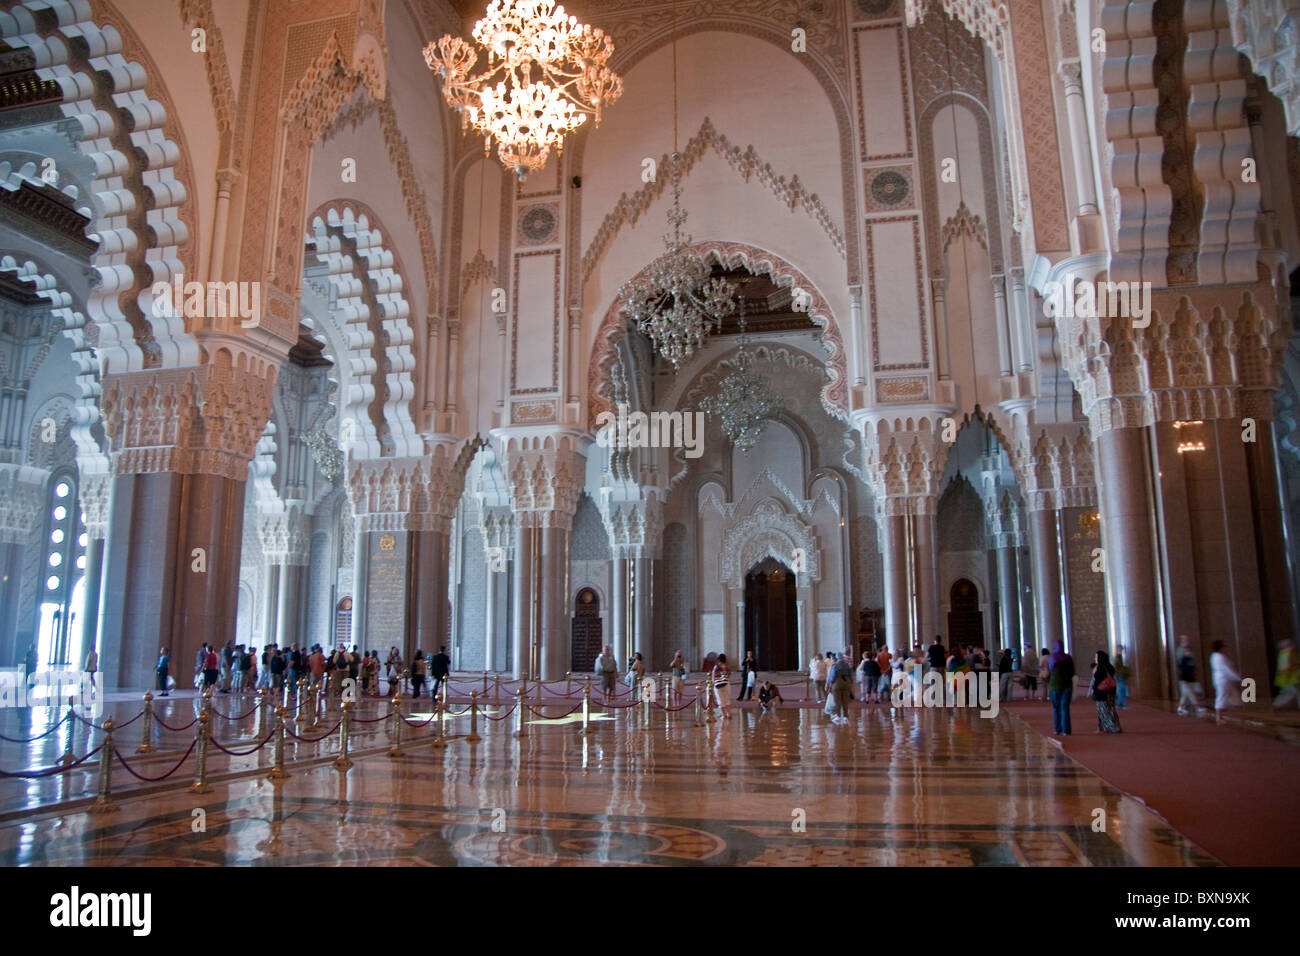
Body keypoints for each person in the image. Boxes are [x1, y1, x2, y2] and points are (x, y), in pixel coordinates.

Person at [1209, 640, 1241, 726]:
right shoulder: (1219, 657)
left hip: (1222, 679)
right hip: (1223, 679)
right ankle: (1219, 718)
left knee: (1233, 697)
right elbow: (1226, 669)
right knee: (1222, 697)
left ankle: (1222, 716)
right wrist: (1237, 677)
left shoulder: (1214, 656)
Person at [1090, 650, 1122, 733]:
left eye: (1096, 657)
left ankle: (1112, 727)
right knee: (1111, 709)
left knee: (1103, 710)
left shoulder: (1100, 668)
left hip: (1102, 692)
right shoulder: (1110, 666)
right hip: (1111, 691)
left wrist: (1093, 689)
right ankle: (1109, 726)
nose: (1095, 658)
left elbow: (1097, 680)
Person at [1175, 634, 1208, 716]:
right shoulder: (1181, 652)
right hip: (1185, 678)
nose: (1187, 641)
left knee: (1185, 694)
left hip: (1189, 677)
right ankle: (1197, 707)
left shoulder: (1188, 651)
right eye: (1185, 640)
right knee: (1190, 693)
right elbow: (1182, 666)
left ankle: (1180, 708)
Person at [1047, 641, 1075, 735]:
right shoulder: (1068, 658)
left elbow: (1049, 671)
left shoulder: (1052, 657)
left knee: (1056, 708)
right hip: (1067, 686)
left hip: (1055, 686)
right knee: (1065, 708)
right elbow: (1072, 672)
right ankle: (1066, 730)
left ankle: (1057, 729)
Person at [827, 653, 853, 725]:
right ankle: (845, 716)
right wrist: (850, 684)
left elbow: (832, 677)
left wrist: (829, 686)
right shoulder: (847, 665)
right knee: (845, 700)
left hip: (837, 682)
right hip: (846, 682)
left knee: (837, 700)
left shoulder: (835, 665)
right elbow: (851, 676)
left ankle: (837, 716)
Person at [1274, 638, 1299, 709]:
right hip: (1289, 680)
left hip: (1288, 681)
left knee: (1289, 693)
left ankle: (1276, 704)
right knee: (1290, 693)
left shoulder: (1285, 654)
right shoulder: (1286, 655)